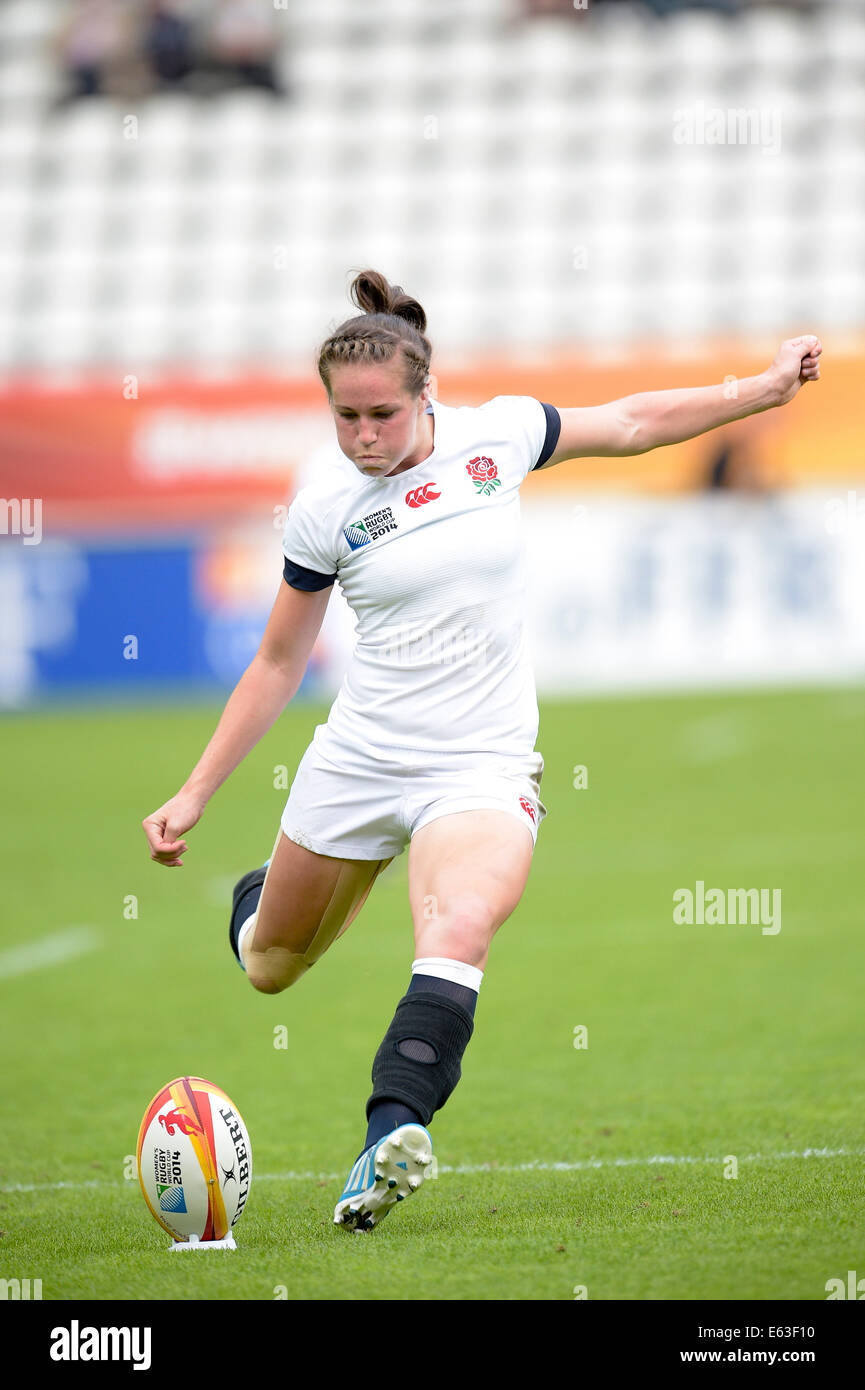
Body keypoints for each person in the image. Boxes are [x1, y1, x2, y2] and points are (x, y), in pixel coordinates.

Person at [142, 271, 821, 1232]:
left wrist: (758, 390)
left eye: (381, 414)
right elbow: (277, 660)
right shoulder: (324, 503)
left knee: (458, 925)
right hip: (363, 757)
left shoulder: (494, 436)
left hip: (481, 766)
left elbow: (627, 421)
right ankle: (272, 891)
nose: (363, 436)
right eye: (344, 418)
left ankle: (388, 1137)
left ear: (426, 396)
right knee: (269, 966)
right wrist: (196, 791)